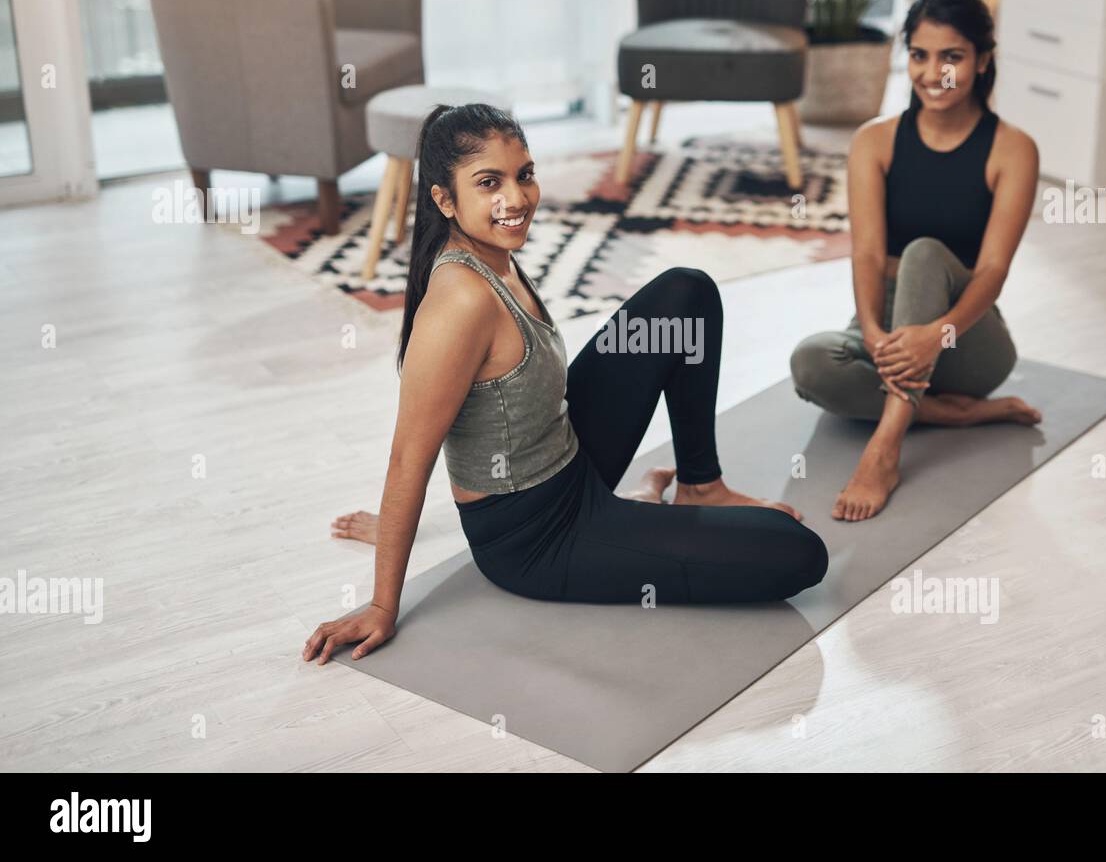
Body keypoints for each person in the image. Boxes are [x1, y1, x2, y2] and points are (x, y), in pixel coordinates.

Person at [305, 103, 827, 664]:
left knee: (685, 293)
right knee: (797, 553)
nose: (516, 198)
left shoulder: (496, 251)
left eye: (524, 174)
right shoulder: (459, 301)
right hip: (540, 538)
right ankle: (636, 512)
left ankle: (701, 484)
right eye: (489, 183)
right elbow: (410, 456)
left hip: (570, 456)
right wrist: (382, 604)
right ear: (445, 200)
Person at [789, 0, 1043, 524]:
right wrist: (872, 333)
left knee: (924, 253)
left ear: (982, 60)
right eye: (920, 55)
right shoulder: (874, 141)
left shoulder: (1012, 149)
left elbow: (993, 270)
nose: (933, 73)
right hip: (890, 333)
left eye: (952, 56)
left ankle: (885, 448)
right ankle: (954, 415)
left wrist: (936, 333)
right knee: (810, 363)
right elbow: (867, 254)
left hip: (966, 339)